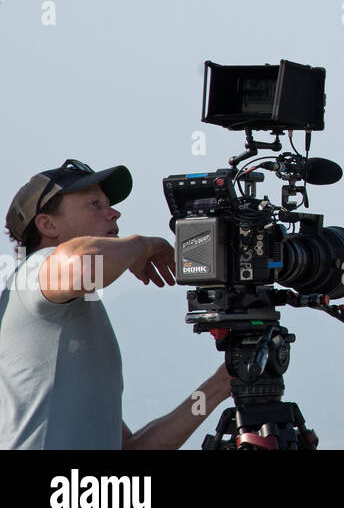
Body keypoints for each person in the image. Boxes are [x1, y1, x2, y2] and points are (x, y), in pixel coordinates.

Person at [1, 159, 231, 449]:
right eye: (94, 205)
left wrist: (220, 385)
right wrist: (143, 245)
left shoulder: (72, 307)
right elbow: (84, 264)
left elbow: (131, 448)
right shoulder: (35, 269)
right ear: (48, 224)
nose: (113, 212)